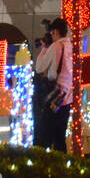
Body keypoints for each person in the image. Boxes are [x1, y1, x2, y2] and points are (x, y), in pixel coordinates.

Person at [35, 18, 73, 151]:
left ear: (56, 31)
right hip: (67, 97)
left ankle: (43, 165)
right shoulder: (71, 46)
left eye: (51, 33)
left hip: (53, 96)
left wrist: (44, 48)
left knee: (44, 134)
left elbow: (39, 67)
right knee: (60, 137)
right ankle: (61, 167)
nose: (51, 35)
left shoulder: (56, 46)